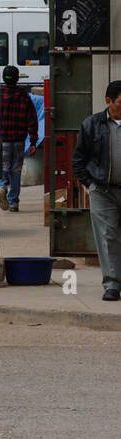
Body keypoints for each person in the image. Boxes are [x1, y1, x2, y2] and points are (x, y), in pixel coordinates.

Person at [71, 80, 121, 301]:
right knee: (107, 237)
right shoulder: (92, 125)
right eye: (120, 103)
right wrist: (90, 184)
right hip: (103, 190)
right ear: (108, 101)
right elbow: (78, 160)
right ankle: (112, 284)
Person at [0, 65, 37, 213]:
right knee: (15, 171)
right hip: (19, 140)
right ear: (17, 79)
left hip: (2, 140)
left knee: (2, 168)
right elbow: (32, 119)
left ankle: (0, 187)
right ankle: (13, 203)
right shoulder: (24, 96)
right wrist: (33, 141)